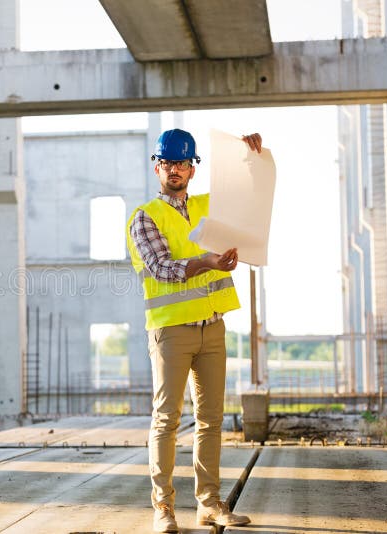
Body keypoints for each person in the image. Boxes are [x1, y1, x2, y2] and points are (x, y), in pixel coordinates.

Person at [126, 128, 261, 532]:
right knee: (167, 419)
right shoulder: (145, 217)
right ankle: (163, 508)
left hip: (212, 327)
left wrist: (248, 157)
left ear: (192, 169)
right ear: (157, 167)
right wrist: (207, 263)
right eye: (168, 162)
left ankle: (209, 503)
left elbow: (246, 199)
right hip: (171, 332)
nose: (175, 169)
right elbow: (161, 268)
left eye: (183, 163)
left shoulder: (206, 206)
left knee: (211, 420)